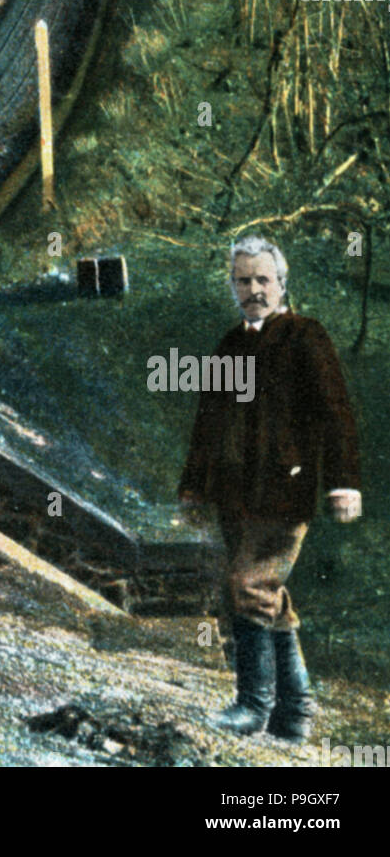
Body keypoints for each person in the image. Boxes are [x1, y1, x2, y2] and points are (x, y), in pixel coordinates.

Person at [178, 235, 362, 741]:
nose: (254, 289)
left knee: (250, 586)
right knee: (264, 595)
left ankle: (253, 705)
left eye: (264, 279)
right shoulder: (230, 345)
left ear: (282, 283)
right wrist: (193, 488)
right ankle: (295, 713)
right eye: (244, 280)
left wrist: (344, 483)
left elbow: (337, 414)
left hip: (285, 491)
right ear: (232, 286)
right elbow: (207, 424)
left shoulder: (306, 337)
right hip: (235, 495)